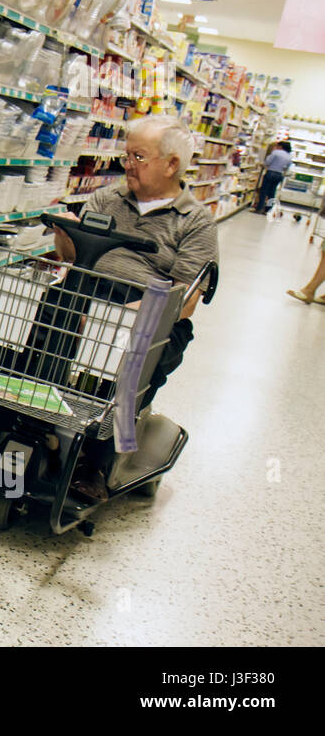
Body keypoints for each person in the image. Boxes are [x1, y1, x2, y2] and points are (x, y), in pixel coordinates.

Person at [44, 115, 219, 499]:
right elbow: (72, 258)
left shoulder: (196, 222)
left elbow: (184, 299)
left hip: (150, 316)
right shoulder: (108, 198)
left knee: (132, 363)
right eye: (126, 155)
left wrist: (124, 318)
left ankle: (95, 464)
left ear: (172, 164)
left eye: (138, 156)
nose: (128, 165)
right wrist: (65, 234)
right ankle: (28, 426)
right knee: (45, 319)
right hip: (88, 295)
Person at [256, 140, 292, 214]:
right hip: (279, 175)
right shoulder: (289, 156)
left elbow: (268, 162)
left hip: (271, 172)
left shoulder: (276, 152)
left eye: (277, 146)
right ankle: (267, 210)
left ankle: (259, 208)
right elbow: (287, 167)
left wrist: (264, 165)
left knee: (264, 191)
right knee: (272, 193)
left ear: (280, 146)